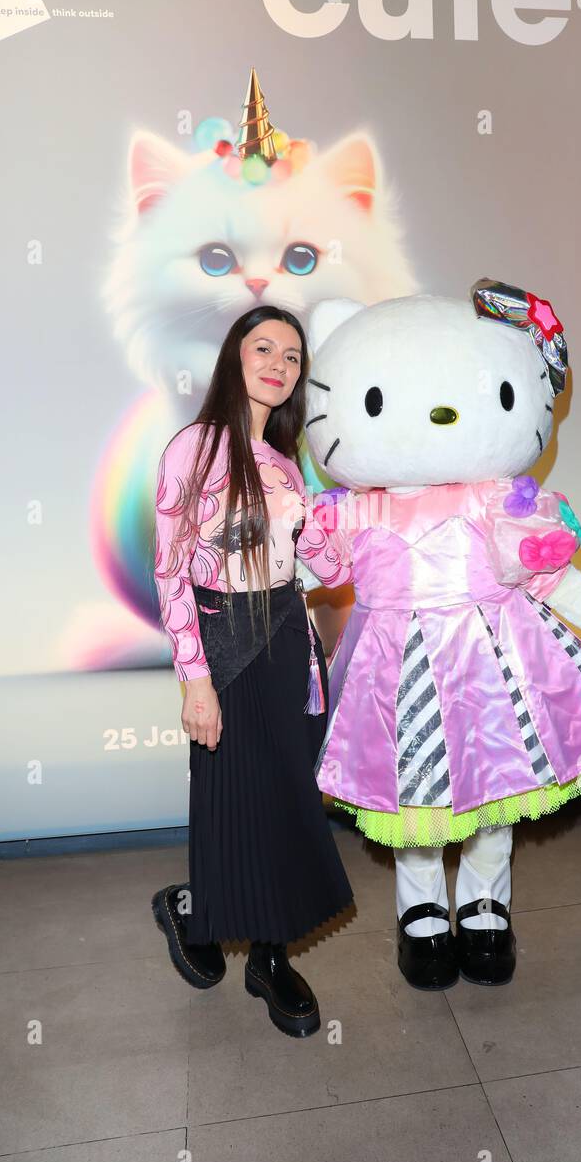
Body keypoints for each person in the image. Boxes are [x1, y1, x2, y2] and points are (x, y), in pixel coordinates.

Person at [150, 305, 354, 1037]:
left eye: (293, 355)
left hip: (287, 644)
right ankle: (195, 915)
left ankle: (268, 958)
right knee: (235, 810)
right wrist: (194, 681)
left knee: (288, 805)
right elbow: (171, 574)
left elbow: (326, 570)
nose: (279, 362)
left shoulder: (285, 461)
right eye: (263, 347)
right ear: (234, 358)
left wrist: (320, 522)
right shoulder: (195, 449)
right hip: (227, 649)